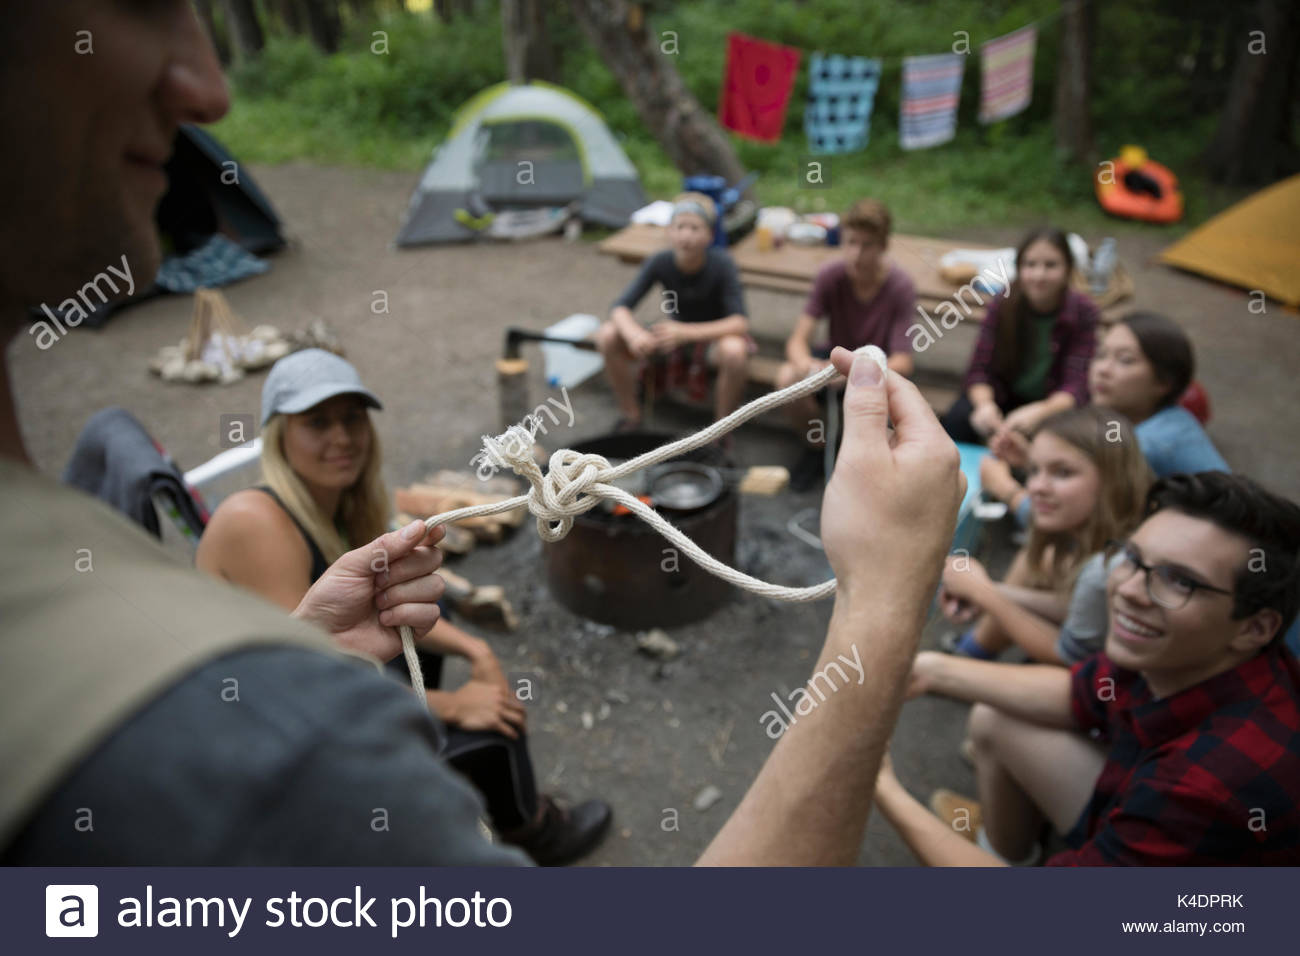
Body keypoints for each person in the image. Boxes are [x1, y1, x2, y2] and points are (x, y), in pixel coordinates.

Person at [1, 0, 965, 865]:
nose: (209, 86)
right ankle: (534, 822)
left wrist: (312, 657)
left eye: (352, 421)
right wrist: (887, 598)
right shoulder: (287, 747)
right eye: (137, 2)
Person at [194, 348, 611, 865]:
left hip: (311, 698)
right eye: (316, 422)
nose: (342, 437)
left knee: (428, 613)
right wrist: (458, 706)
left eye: (352, 418)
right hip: (263, 745)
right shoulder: (255, 523)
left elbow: (377, 614)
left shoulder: (342, 504)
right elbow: (313, 681)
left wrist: (477, 650)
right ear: (280, 435)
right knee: (494, 738)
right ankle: (529, 831)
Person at [878, 472, 1300, 866]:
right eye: (1132, 557)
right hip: (1148, 793)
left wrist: (882, 788)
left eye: (1181, 581)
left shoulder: (1207, 782)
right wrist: (931, 670)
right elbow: (1082, 692)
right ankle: (1003, 851)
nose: (1130, 591)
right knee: (994, 716)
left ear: (1255, 628)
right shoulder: (1181, 652)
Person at [940, 407, 1151, 662]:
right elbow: (1079, 606)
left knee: (938, 674)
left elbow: (1072, 660)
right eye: (1033, 471)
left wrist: (986, 594)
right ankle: (973, 652)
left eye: (1063, 472)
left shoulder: (1113, 565)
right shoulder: (1112, 526)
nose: (1036, 487)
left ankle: (971, 654)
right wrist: (979, 589)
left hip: (1108, 687)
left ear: (1114, 480)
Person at [980, 311, 1228, 522]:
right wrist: (1030, 460)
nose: (1103, 370)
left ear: (1164, 381)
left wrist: (1006, 489)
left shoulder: (1150, 446)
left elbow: (1079, 527)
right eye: (1101, 355)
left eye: (1125, 360)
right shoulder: (1168, 420)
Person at [775, 198, 917, 490]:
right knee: (786, 378)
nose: (856, 254)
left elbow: (903, 360)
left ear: (883, 246)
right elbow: (798, 340)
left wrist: (855, 372)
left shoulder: (900, 286)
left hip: (875, 370)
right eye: (851, 242)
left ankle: (866, 466)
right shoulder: (832, 275)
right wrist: (809, 367)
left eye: (867, 245)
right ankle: (817, 448)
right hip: (833, 362)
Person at [594, 193, 751, 430]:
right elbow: (620, 308)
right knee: (607, 335)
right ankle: (631, 415)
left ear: (709, 235)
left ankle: (721, 431)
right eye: (680, 227)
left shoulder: (722, 264)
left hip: (710, 337)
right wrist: (634, 334)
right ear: (669, 232)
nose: (686, 235)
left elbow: (739, 323)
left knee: (735, 350)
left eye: (695, 228)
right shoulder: (660, 261)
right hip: (673, 335)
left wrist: (686, 332)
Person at [940, 228, 1099, 446]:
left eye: (1050, 265)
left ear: (1068, 269)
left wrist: (1041, 411)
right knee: (958, 420)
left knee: (1055, 445)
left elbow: (1077, 385)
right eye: (1030, 264)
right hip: (1002, 395)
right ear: (1018, 268)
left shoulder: (1084, 311)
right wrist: (985, 406)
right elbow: (979, 370)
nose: (1039, 275)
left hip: (1052, 403)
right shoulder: (1003, 303)